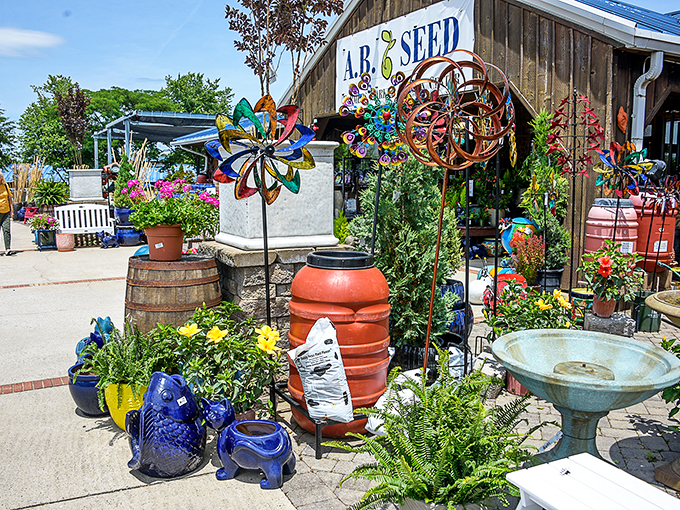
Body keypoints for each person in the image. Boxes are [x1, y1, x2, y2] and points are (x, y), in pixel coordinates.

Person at [0, 173, 15, 256]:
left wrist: (12, 210)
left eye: (0, 177)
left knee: (7, 230)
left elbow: (10, 198)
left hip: (6, 211)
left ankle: (7, 249)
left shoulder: (5, 186)